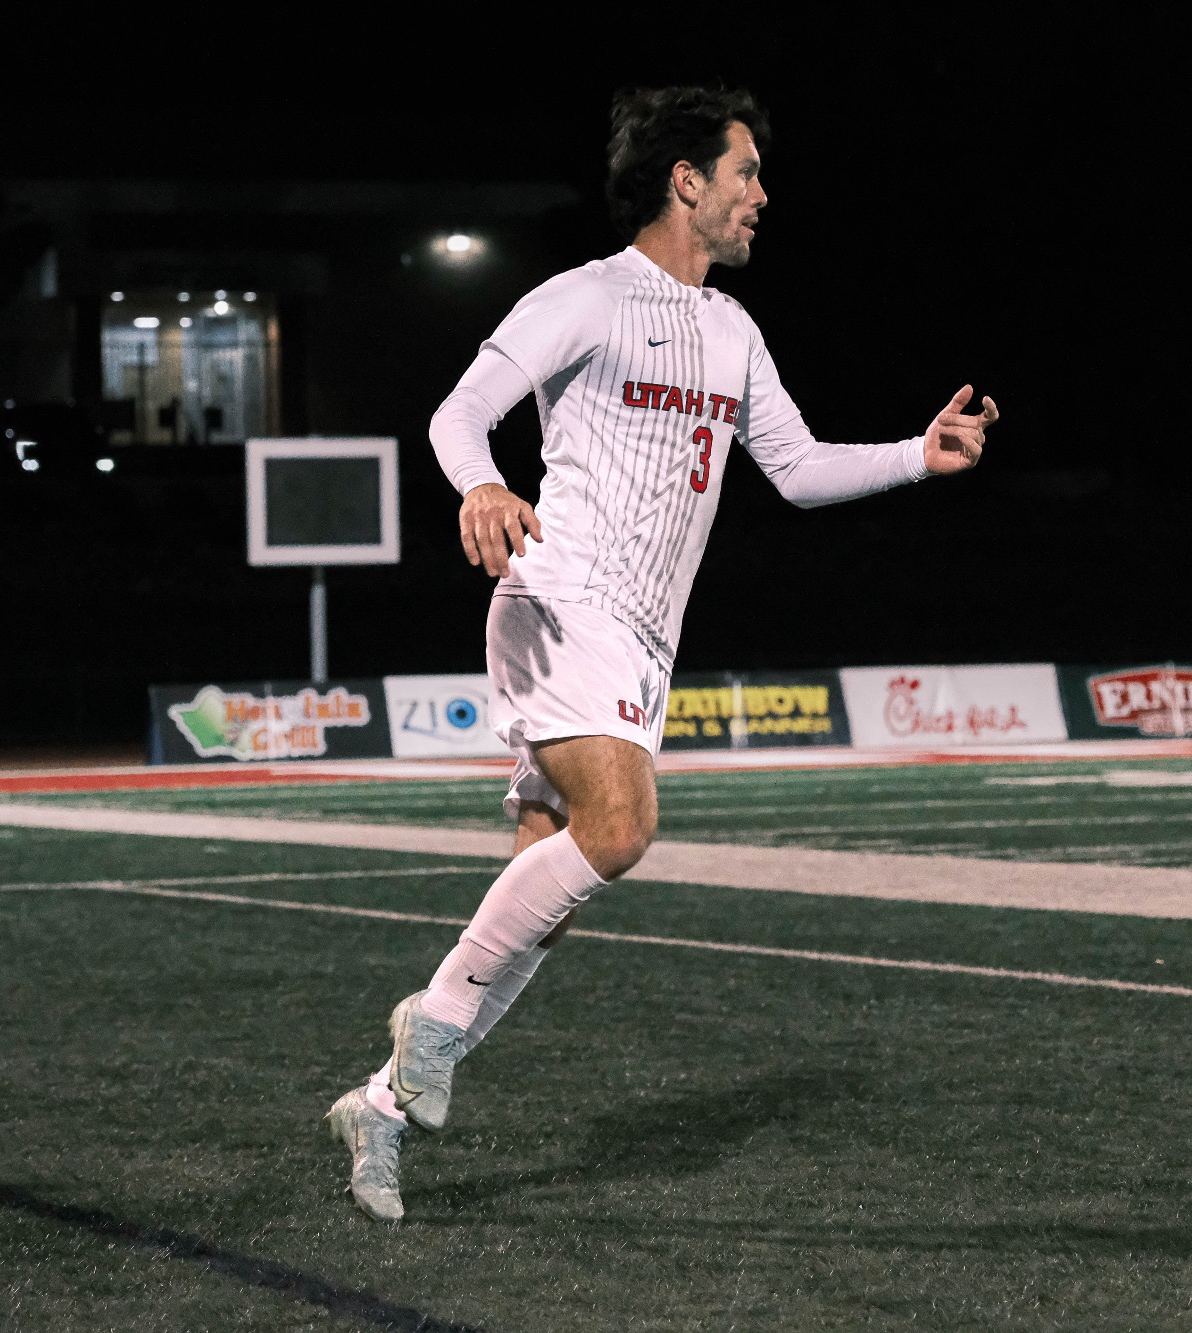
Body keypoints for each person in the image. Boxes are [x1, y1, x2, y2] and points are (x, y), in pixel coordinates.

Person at [325, 86, 999, 1223]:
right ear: (685, 180)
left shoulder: (732, 331)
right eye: (744, 173)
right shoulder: (583, 297)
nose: (760, 195)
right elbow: (457, 413)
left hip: (642, 642)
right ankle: (427, 1031)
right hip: (557, 595)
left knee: (548, 885)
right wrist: (483, 483)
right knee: (623, 828)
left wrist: (912, 459)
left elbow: (793, 468)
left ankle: (382, 1105)